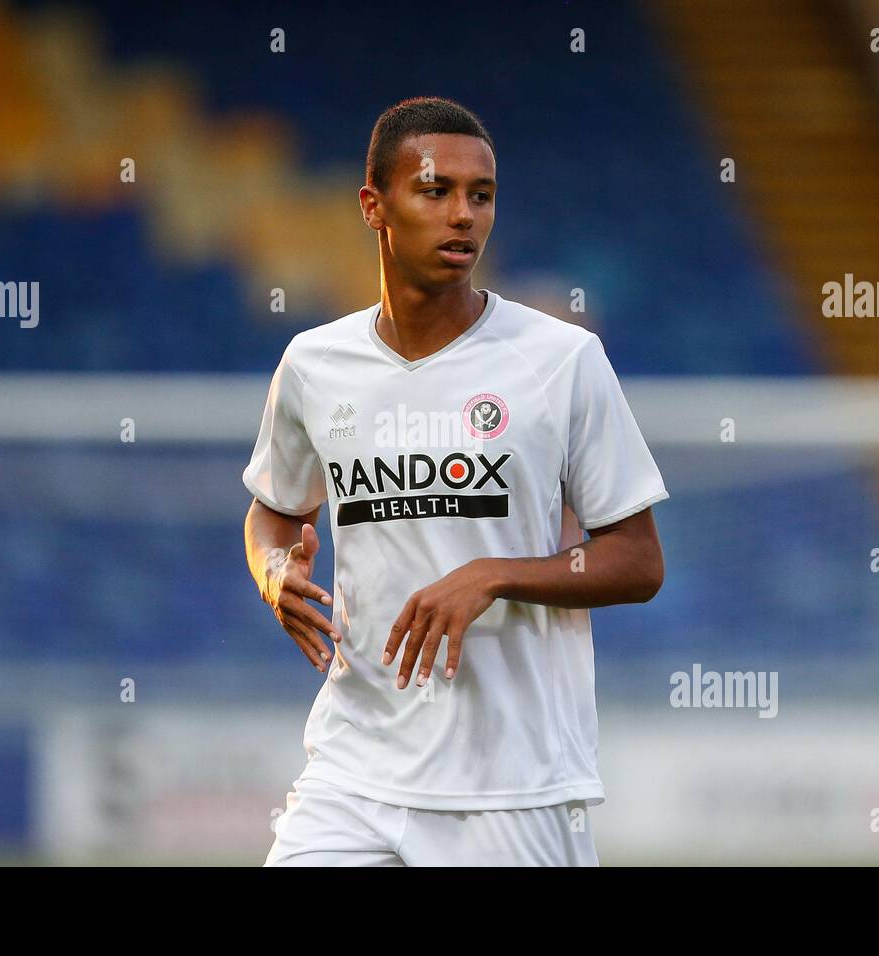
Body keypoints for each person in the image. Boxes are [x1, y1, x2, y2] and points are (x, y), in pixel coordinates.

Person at [243, 97, 668, 866]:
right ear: (375, 205)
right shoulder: (314, 364)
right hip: (354, 767)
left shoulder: (560, 360)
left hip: (511, 782)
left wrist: (494, 577)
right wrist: (273, 570)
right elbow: (273, 511)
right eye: (435, 192)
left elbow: (638, 561)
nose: (463, 215)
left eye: (482, 195)